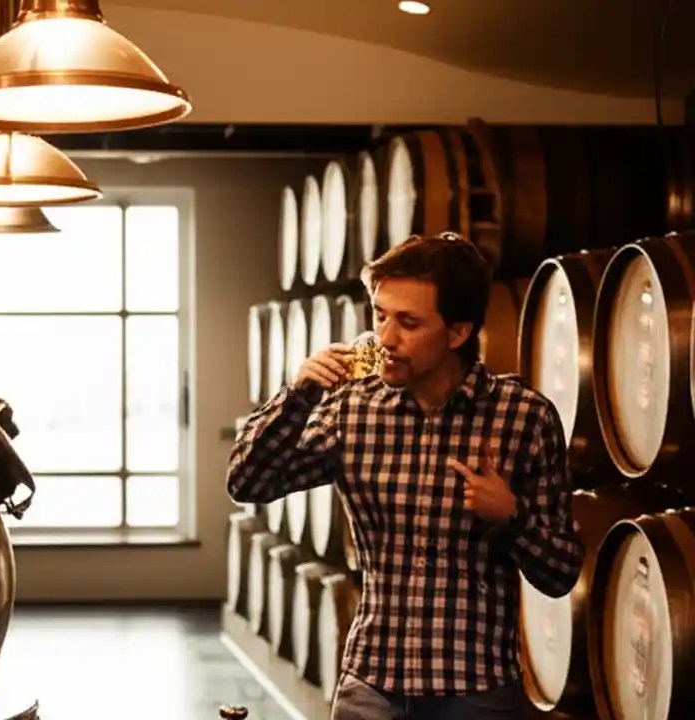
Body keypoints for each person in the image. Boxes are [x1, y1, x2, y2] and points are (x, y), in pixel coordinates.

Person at [226, 232, 584, 720]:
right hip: (371, 684)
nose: (385, 339)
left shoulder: (524, 418)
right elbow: (248, 482)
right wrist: (298, 393)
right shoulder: (353, 408)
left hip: (475, 690)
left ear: (458, 332)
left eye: (408, 322)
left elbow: (561, 573)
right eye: (380, 315)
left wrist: (512, 516)